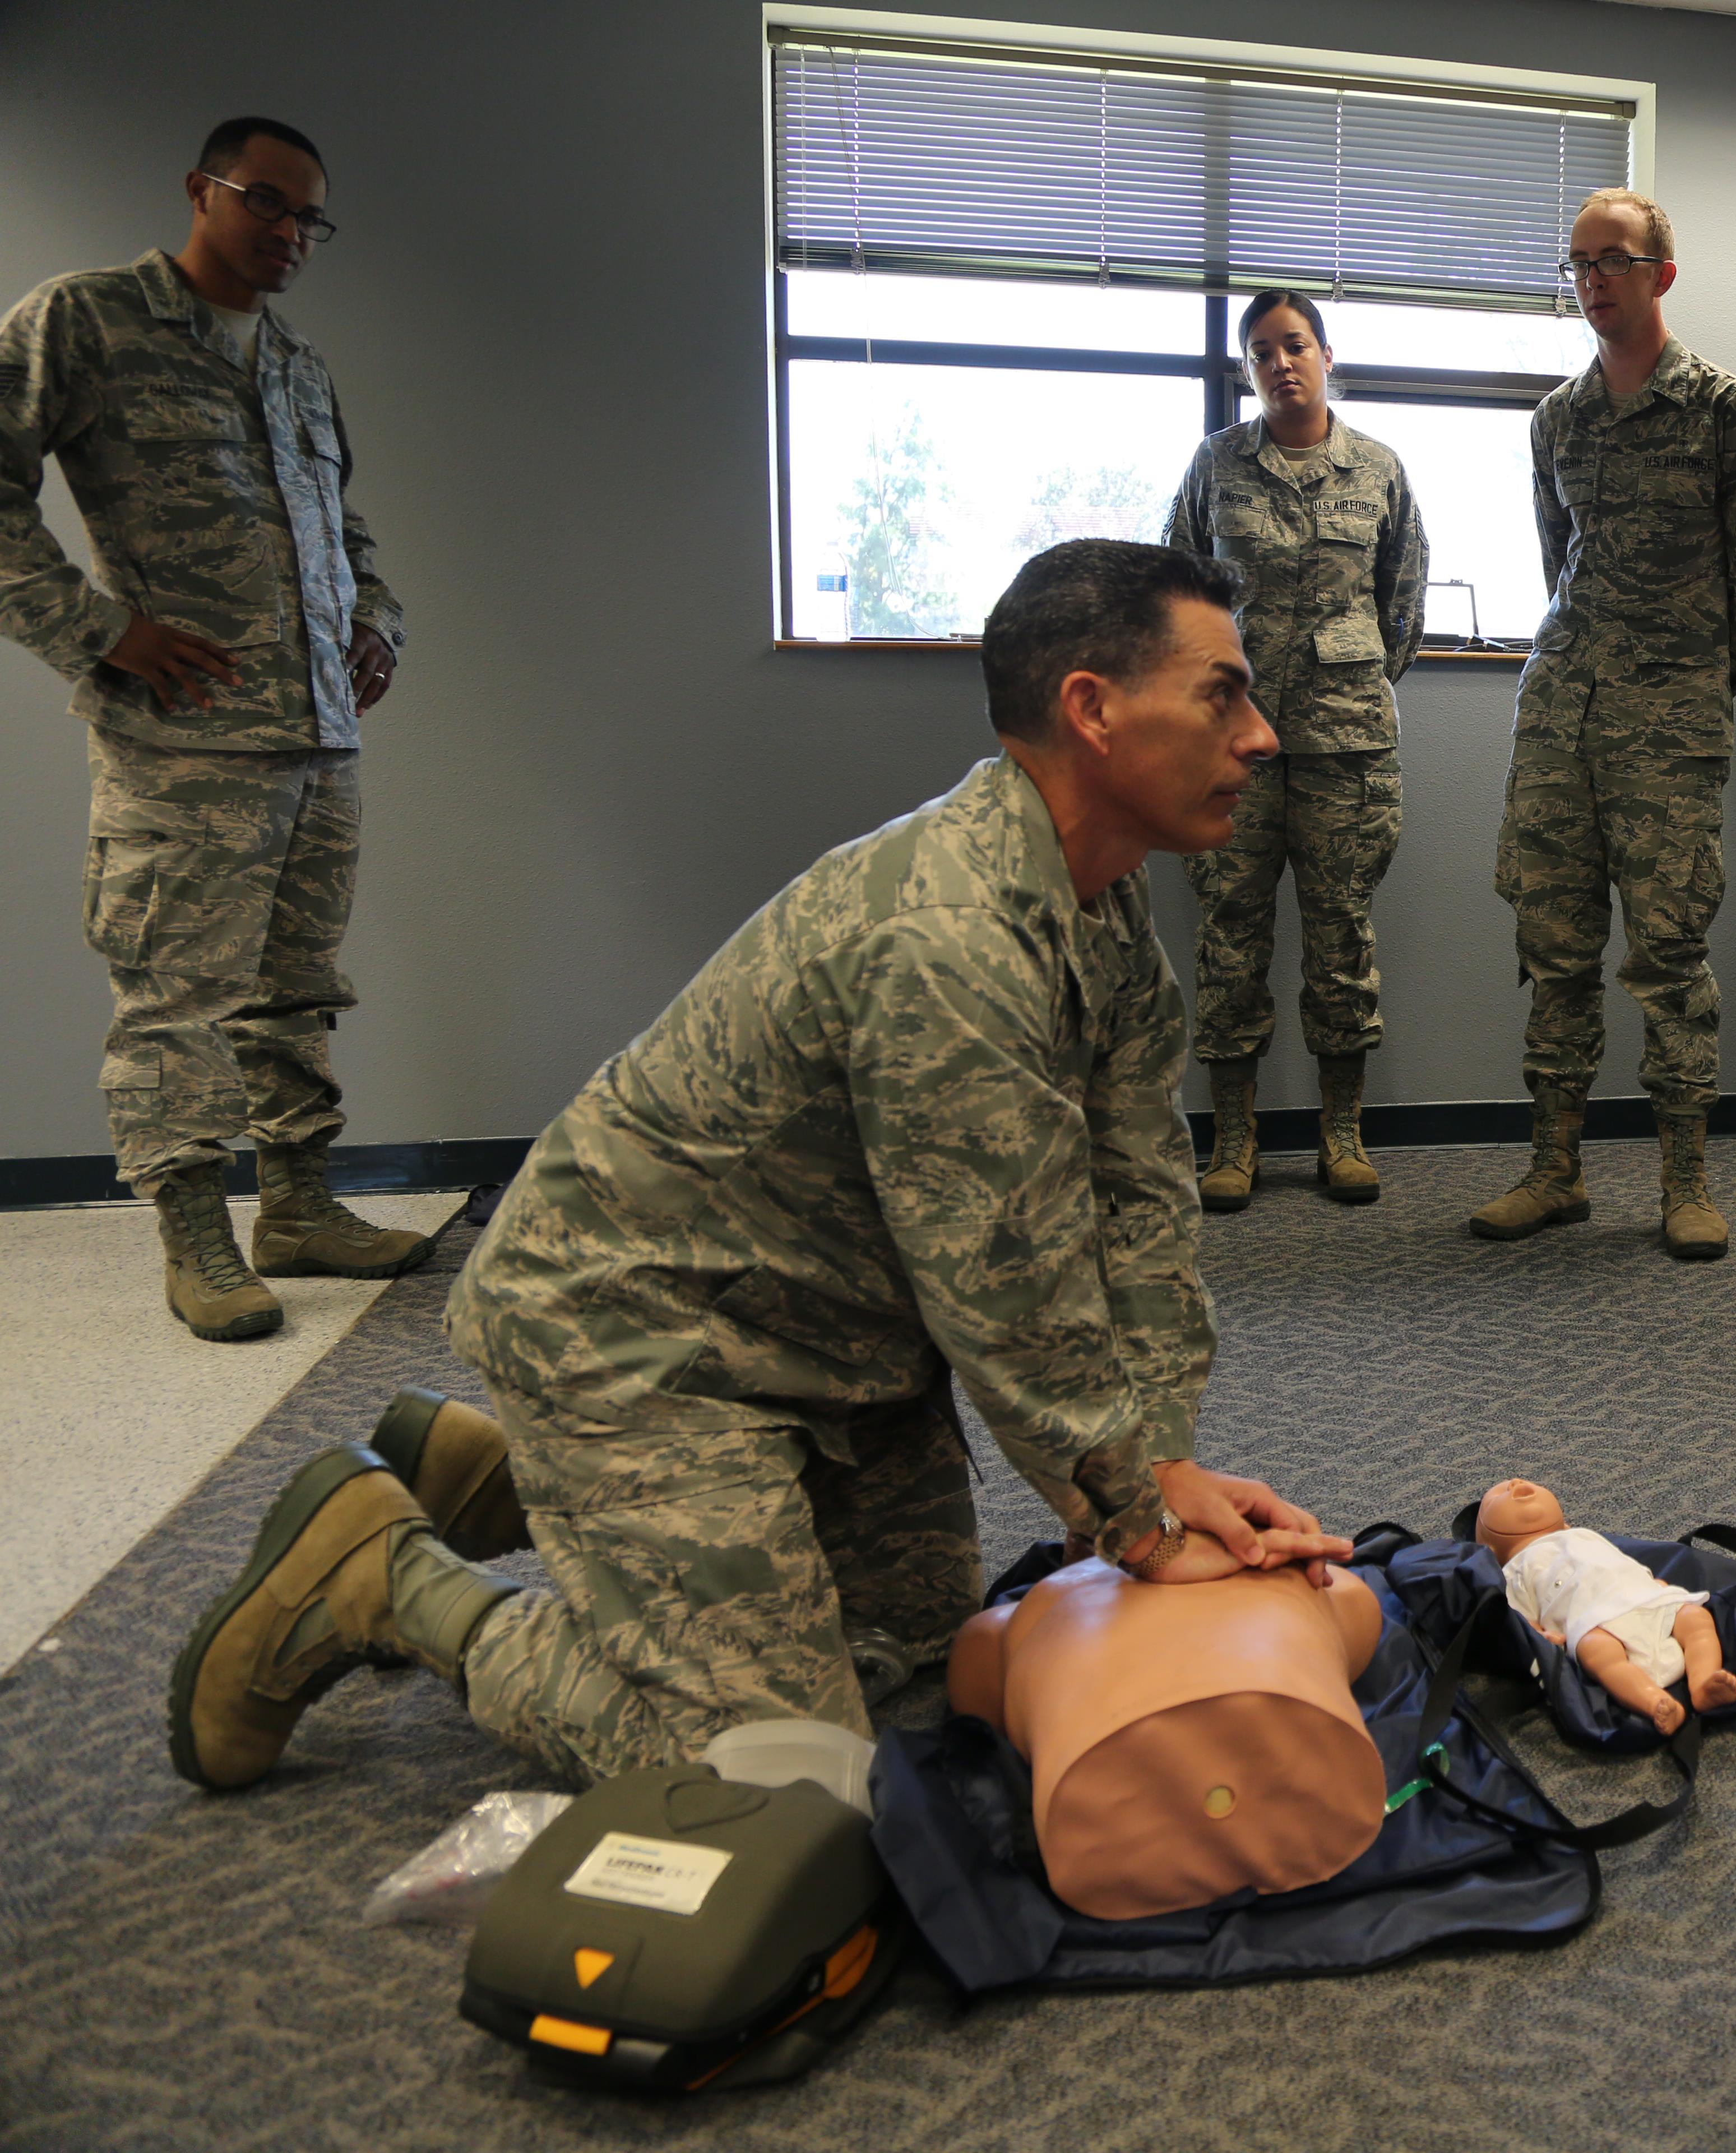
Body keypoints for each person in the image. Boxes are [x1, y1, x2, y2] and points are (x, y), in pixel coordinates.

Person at [166, 542, 1353, 1791]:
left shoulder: (1101, 910)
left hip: (826, 1351)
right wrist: (1134, 1516)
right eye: (1223, 695)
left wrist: (1161, 1464)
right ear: (1093, 711)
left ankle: (502, 1480)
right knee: (782, 1775)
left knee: (913, 1652)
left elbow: (1141, 1213)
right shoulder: (949, 941)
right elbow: (1009, 1291)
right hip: (639, 1339)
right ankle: (383, 1576)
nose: (1262, 736)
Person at [0, 117, 428, 1343]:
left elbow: (345, 531)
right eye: (268, 202)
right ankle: (197, 1238)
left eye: (311, 218)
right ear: (202, 190)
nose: (292, 233)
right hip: (182, 744)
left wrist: (379, 622)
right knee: (177, 999)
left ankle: (298, 1207)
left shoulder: (296, 364)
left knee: (297, 990)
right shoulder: (89, 321)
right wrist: (96, 630)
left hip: (318, 737)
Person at [1471, 187, 1736, 1261]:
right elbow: (1556, 554)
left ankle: (1685, 1180)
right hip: (1561, 711)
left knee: (1669, 951)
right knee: (1553, 945)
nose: (1593, 279)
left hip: (1670, 721)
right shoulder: (1556, 419)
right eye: (1579, 261)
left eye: (1613, 258)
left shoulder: (1724, 411)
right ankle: (1554, 1170)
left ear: (1662, 274)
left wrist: (1691, 682)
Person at [1164, 290, 1427, 1212]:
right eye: (1262, 352)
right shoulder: (1217, 464)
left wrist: (1348, 680)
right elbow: (1177, 591)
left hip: (1344, 750)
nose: (1281, 363)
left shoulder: (1378, 468)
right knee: (1229, 940)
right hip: (1233, 747)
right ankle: (1233, 1140)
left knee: (1341, 937)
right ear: (1247, 368)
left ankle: (1340, 1134)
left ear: (1325, 356)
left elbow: (1403, 606)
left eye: (1296, 345)